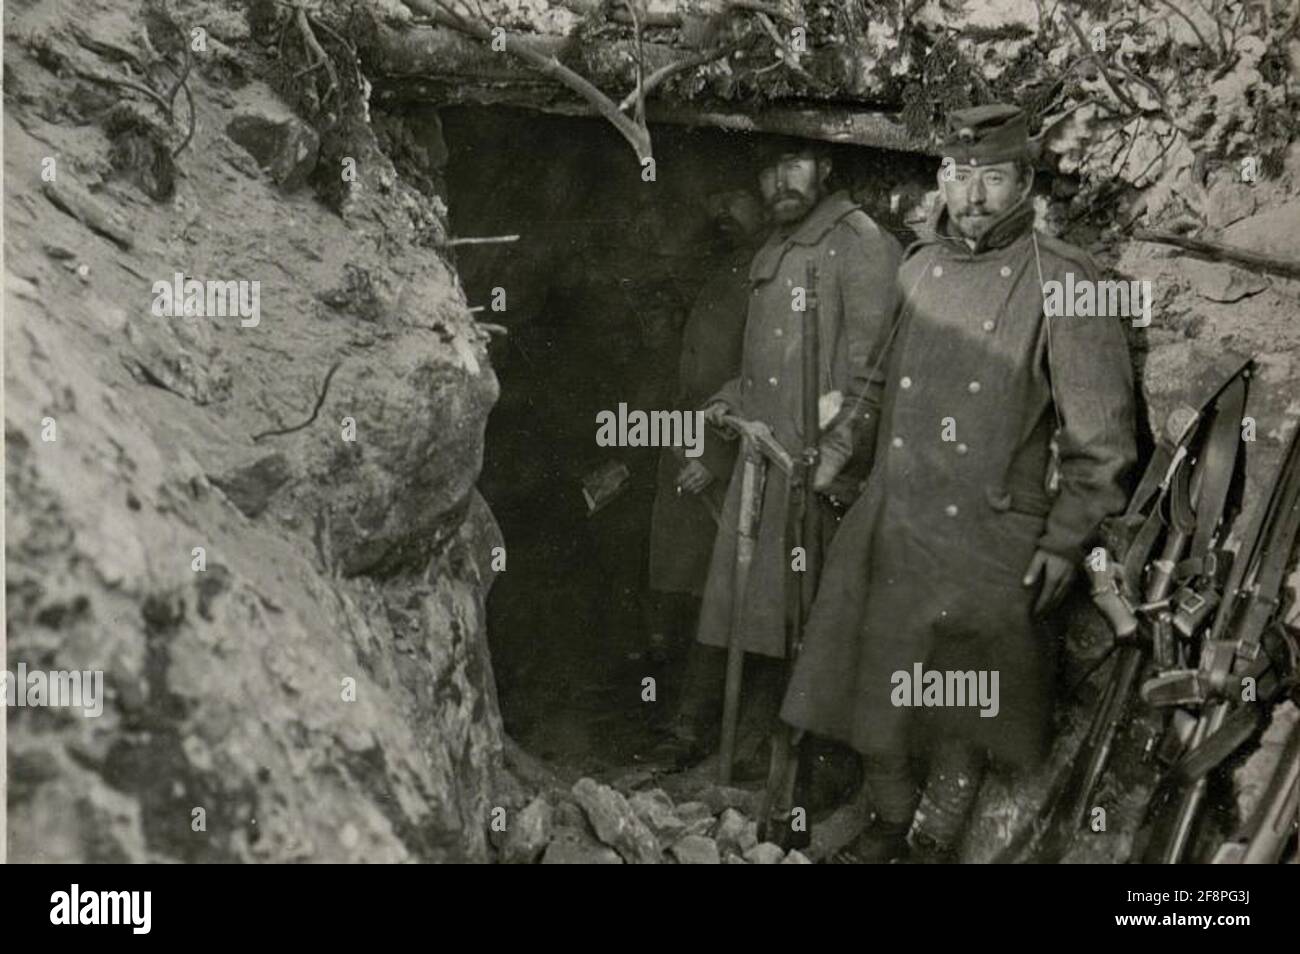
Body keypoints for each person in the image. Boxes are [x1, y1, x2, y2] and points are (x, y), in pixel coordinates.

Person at [780, 103, 1138, 862]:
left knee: (967, 705)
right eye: (960, 176)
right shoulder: (918, 266)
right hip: (901, 511)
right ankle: (888, 815)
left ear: (1026, 183)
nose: (973, 197)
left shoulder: (1066, 279)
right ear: (941, 176)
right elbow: (874, 386)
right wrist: (837, 450)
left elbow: (1101, 443)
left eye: (993, 179)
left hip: (992, 527)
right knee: (873, 681)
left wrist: (1068, 541)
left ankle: (932, 839)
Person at [662, 136, 902, 768]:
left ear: (824, 167)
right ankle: (731, 751)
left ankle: (800, 766)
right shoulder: (775, 249)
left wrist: (839, 457)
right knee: (745, 613)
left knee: (807, 625)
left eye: (792, 165)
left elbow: (871, 371)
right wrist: (728, 399)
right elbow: (761, 368)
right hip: (761, 467)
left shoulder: (858, 244)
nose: (778, 182)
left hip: (814, 473)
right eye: (767, 170)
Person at [645, 190, 766, 665]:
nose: (721, 211)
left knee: (712, 591)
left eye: (735, 198)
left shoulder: (767, 271)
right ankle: (669, 704)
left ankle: (693, 720)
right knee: (679, 580)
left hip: (720, 446)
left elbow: (761, 373)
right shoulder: (730, 264)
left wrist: (715, 456)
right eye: (714, 199)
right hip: (686, 438)